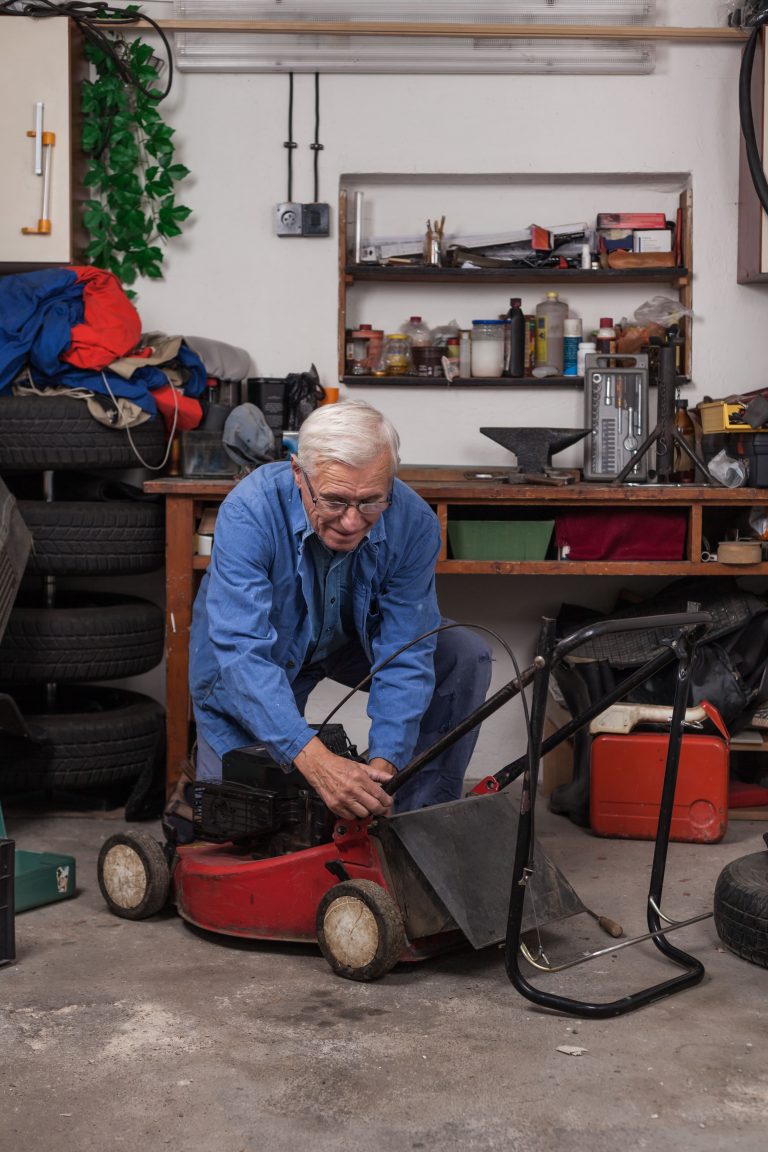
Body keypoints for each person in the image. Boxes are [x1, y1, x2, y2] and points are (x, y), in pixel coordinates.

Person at [189, 398, 492, 819]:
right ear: (298, 473)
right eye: (333, 501)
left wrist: (384, 768)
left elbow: (406, 651)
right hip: (254, 659)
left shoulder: (414, 522)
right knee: (239, 822)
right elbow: (243, 653)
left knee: (461, 654)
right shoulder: (250, 511)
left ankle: (411, 821)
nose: (351, 521)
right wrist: (317, 762)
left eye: (371, 502)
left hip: (349, 641)